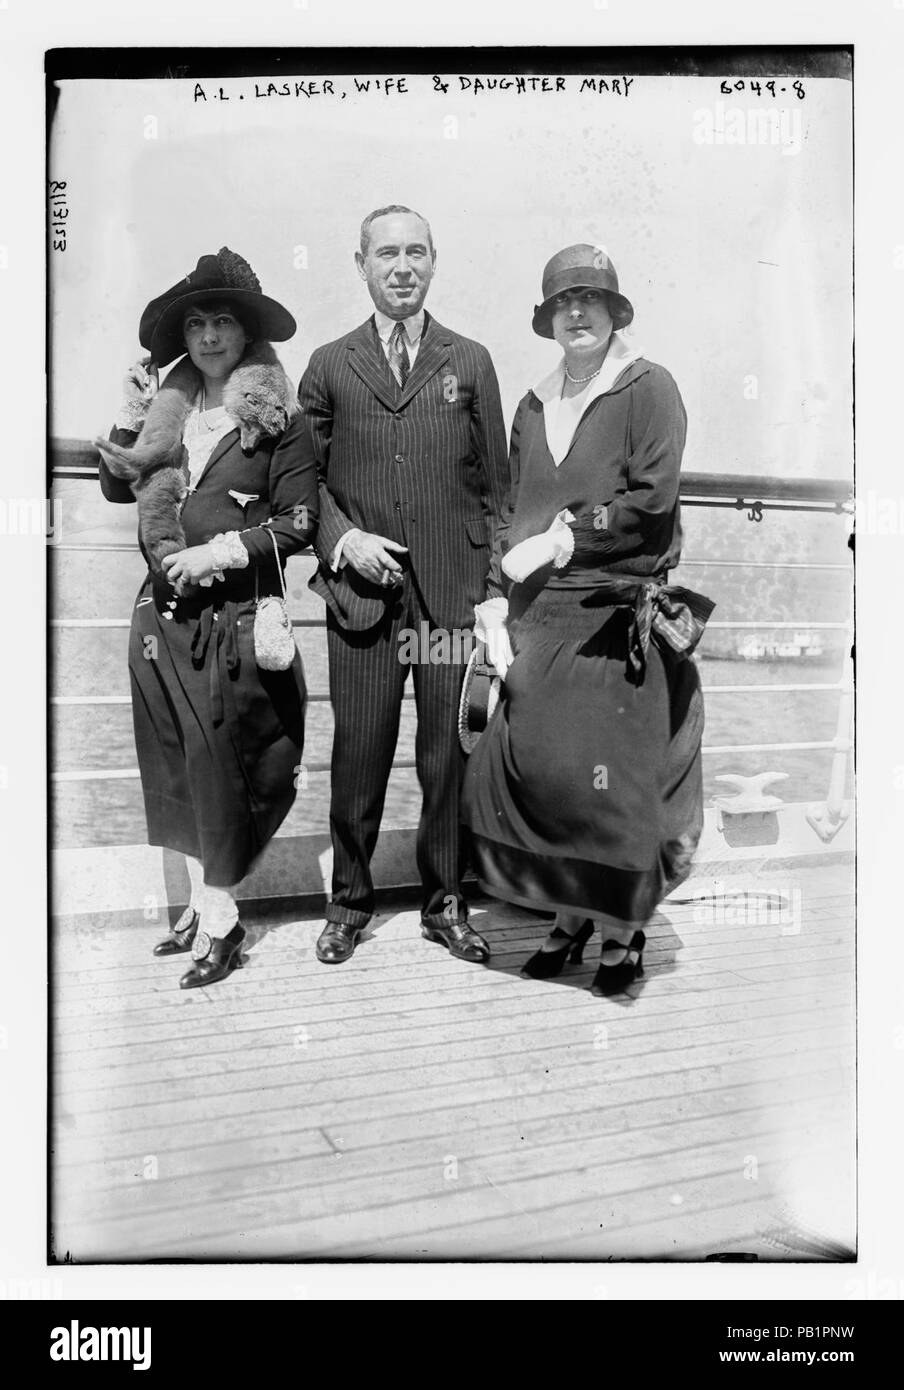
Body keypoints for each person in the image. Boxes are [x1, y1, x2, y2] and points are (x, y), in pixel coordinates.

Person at [461, 244, 714, 995]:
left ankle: (624, 936)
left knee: (611, 786)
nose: (577, 313)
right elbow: (508, 511)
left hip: (613, 612)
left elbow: (653, 498)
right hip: (540, 614)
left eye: (591, 301)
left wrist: (568, 531)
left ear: (613, 313)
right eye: (564, 303)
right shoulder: (534, 406)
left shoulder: (648, 388)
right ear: (547, 319)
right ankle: (571, 916)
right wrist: (494, 598)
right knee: (553, 777)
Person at [97, 248, 318, 989]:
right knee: (177, 761)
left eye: (224, 320)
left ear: (248, 331)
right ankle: (198, 906)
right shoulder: (171, 409)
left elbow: (298, 522)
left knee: (224, 760)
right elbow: (114, 488)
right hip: (159, 615)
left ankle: (222, 919)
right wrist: (130, 413)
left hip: (232, 615)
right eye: (196, 322)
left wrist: (221, 551)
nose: (209, 335)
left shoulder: (276, 419)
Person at [300, 204, 509, 965]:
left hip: (450, 598)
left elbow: (500, 491)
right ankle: (349, 901)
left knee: (446, 756)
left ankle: (445, 900)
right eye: (386, 253)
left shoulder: (471, 360)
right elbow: (302, 483)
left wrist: (492, 595)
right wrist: (344, 541)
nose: (402, 267)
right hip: (362, 600)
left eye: (416, 251)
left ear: (433, 261)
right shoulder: (328, 364)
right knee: (358, 749)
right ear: (360, 264)